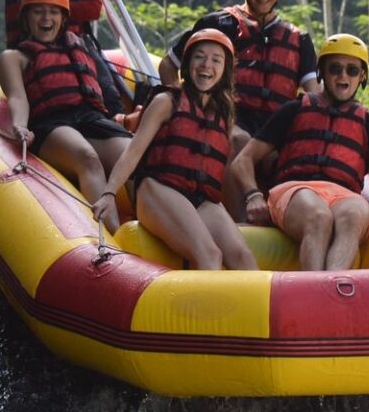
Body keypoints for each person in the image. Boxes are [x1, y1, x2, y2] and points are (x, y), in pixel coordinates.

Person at [229, 33, 369, 272]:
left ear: (362, 76)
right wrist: (253, 195)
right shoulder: (294, 110)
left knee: (353, 215)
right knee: (318, 217)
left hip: (343, 195)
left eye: (352, 70)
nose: (343, 76)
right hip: (294, 190)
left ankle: (332, 286)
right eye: (335, 68)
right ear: (322, 72)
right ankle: (314, 287)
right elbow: (243, 160)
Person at [160, 0, 319, 214]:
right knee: (240, 140)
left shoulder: (299, 40)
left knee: (279, 154)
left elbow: (313, 94)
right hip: (226, 114)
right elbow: (168, 66)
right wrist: (187, 107)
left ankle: (288, 216)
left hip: (273, 128)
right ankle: (241, 220)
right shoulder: (217, 24)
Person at [98, 29, 258, 271]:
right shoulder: (167, 101)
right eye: (199, 57)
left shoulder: (223, 114)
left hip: (200, 197)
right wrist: (109, 193)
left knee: (244, 259)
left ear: (225, 70)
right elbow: (134, 151)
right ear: (187, 63)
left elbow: (217, 172)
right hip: (159, 189)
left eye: (216, 60)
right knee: (209, 255)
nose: (206, 65)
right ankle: (205, 310)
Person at [0, 0, 130, 231]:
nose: (46, 18)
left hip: (90, 117)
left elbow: (103, 90)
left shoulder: (79, 47)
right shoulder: (14, 57)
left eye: (54, 11)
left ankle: (148, 230)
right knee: (87, 157)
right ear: (26, 19)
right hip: (51, 123)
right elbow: (17, 97)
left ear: (63, 18)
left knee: (132, 155)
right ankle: (112, 237)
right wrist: (20, 126)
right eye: (38, 11)